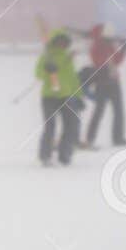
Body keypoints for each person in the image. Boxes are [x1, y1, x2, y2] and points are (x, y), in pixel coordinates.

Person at [35, 30, 82, 166]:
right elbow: (38, 74)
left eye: (64, 42)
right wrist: (47, 70)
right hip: (49, 96)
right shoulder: (47, 57)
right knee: (50, 126)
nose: (62, 45)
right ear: (54, 42)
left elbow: (73, 79)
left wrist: (78, 96)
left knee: (72, 125)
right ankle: (45, 156)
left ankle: (65, 154)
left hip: (66, 96)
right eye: (59, 42)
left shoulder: (67, 58)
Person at [82, 24, 126, 148]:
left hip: (114, 82)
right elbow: (99, 62)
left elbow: (116, 61)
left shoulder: (109, 45)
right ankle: (90, 138)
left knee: (118, 111)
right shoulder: (96, 47)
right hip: (102, 83)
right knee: (99, 112)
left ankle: (118, 138)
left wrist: (123, 49)